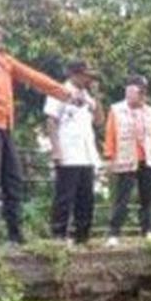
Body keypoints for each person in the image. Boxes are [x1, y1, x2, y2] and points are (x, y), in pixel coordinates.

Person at [0, 16, 76, 243]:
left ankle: (15, 234)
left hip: (5, 127)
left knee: (13, 179)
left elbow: (33, 77)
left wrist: (65, 93)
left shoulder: (2, 60)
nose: (0, 37)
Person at [104, 76, 151, 245]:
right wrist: (109, 156)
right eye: (136, 92)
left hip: (147, 158)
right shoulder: (116, 110)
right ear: (128, 91)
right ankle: (114, 233)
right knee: (122, 197)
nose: (140, 96)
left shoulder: (150, 111)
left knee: (147, 197)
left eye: (142, 92)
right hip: (126, 158)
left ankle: (148, 230)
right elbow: (110, 134)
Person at [45, 60, 103, 244]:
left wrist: (96, 98)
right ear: (75, 74)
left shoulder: (87, 96)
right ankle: (58, 235)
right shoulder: (59, 91)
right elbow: (51, 121)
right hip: (68, 152)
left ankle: (82, 236)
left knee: (86, 197)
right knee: (65, 196)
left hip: (86, 153)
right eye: (86, 75)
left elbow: (99, 121)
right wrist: (56, 150)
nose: (89, 79)